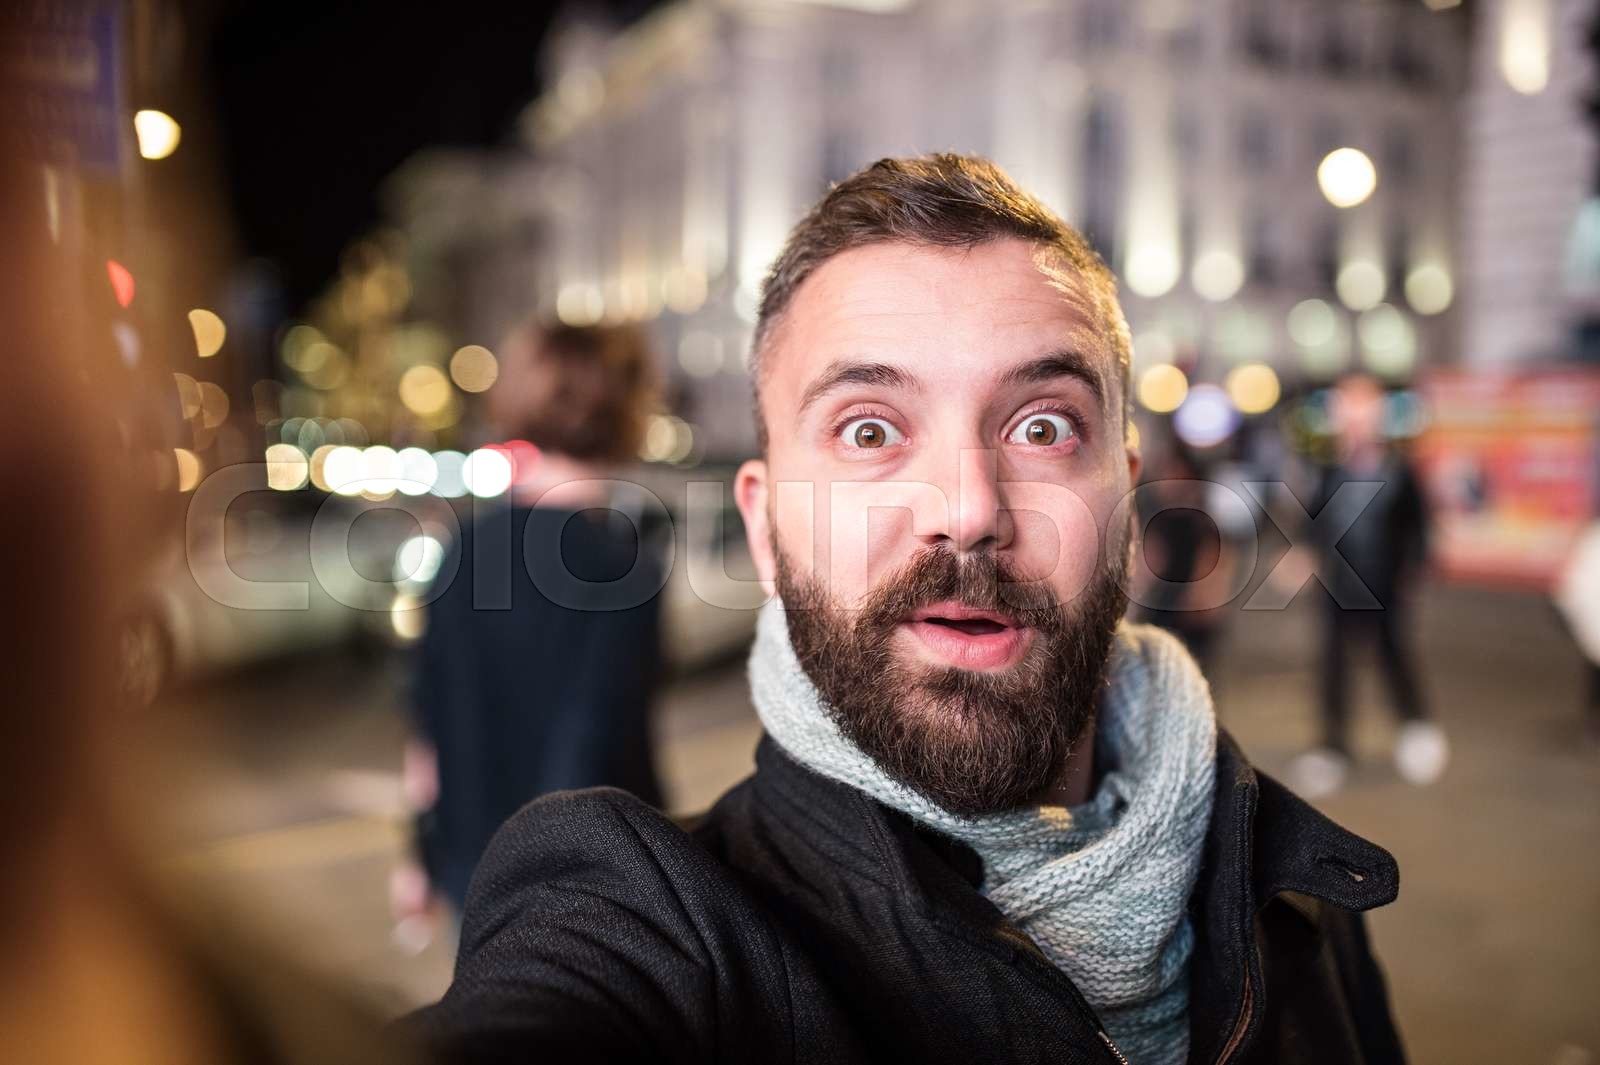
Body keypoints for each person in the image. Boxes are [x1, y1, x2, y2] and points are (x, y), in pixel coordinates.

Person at [408, 155, 1405, 1065]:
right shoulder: (645, 928)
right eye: (871, 428)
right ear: (764, 527)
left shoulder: (1296, 896)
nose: (967, 510)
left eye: (1044, 426)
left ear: (1128, 504)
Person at [405, 321, 666, 916]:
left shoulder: (460, 549)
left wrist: (417, 860)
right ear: (627, 411)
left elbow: (428, 725)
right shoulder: (624, 568)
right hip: (586, 887)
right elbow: (599, 742)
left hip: (469, 869)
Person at [1289, 374, 1445, 799]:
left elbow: (1419, 528)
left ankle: (1416, 728)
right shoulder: (1328, 468)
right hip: (1338, 585)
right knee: (1335, 665)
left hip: (1386, 586)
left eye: (1362, 409)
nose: (1354, 420)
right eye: (1345, 409)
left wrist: (1415, 571)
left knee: (1394, 656)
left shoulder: (1400, 470)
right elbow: (1315, 521)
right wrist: (1303, 553)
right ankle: (1333, 746)